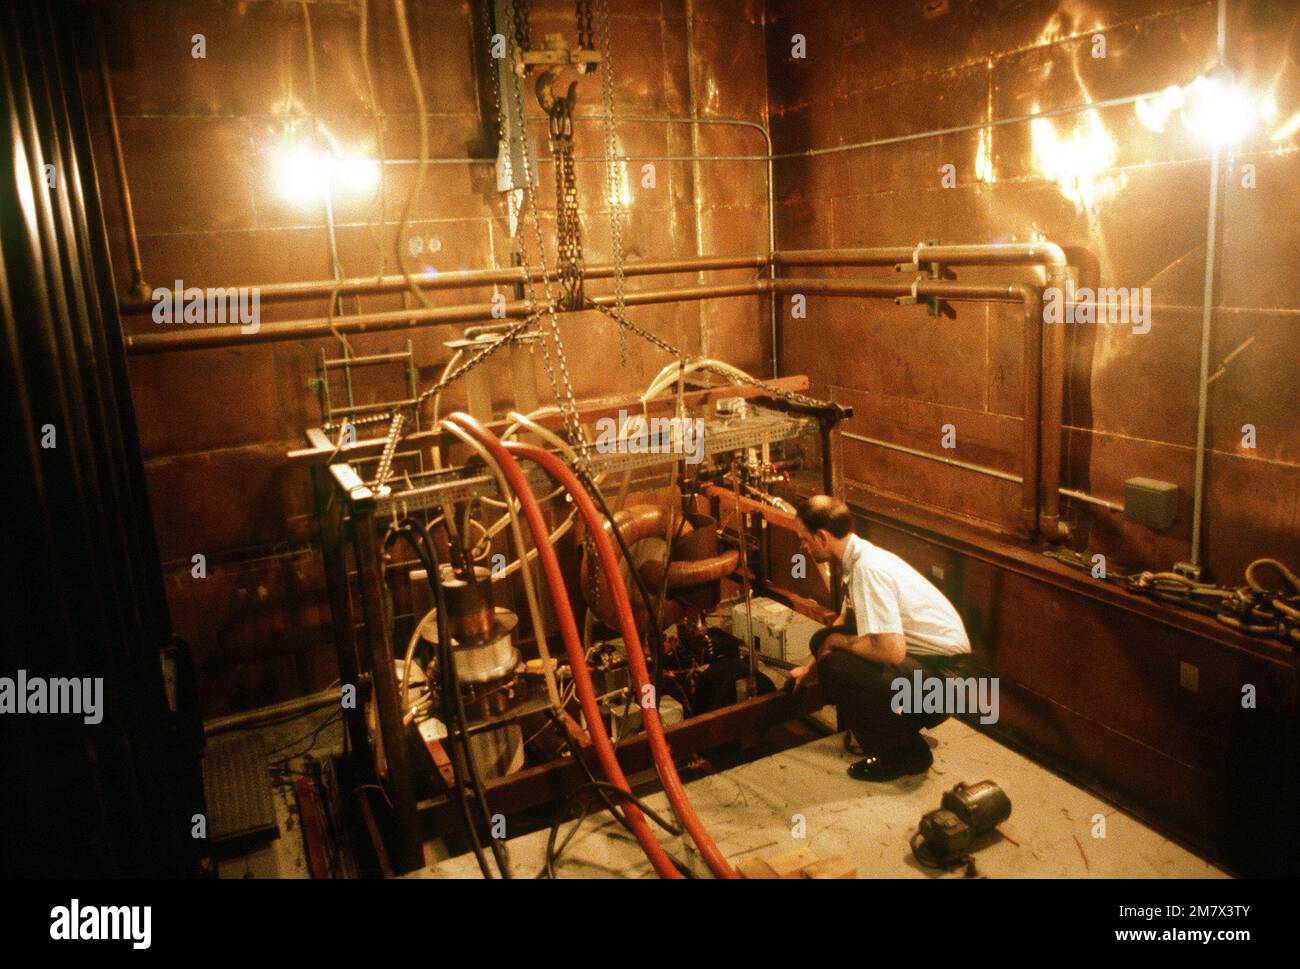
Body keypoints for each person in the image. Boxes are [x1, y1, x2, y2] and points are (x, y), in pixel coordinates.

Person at [788, 495, 973, 781]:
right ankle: (899, 727)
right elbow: (842, 624)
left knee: (836, 667)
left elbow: (891, 651)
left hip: (948, 684)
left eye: (804, 539)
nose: (803, 547)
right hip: (937, 670)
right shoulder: (858, 558)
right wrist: (807, 666)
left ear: (822, 537)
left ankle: (905, 754)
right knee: (823, 641)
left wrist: (834, 647)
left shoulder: (867, 569)